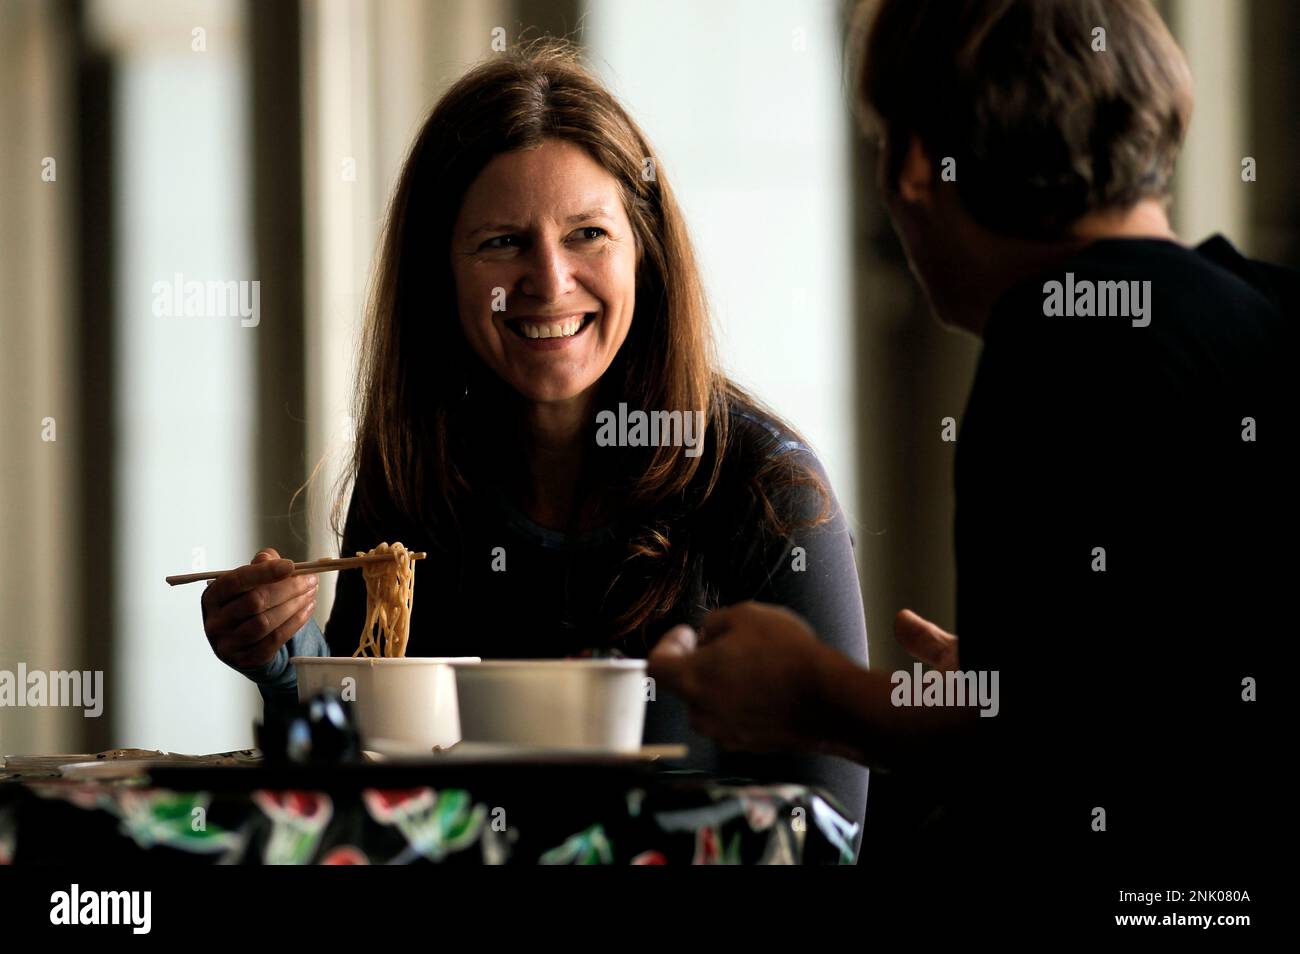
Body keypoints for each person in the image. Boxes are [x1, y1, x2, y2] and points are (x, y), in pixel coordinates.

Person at [650, 0, 1294, 870]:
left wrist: (822, 699)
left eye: (883, 142)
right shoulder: (1259, 305)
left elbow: (1058, 776)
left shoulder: (1056, 345)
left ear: (915, 164)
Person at [198, 42, 870, 842]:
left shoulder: (769, 490)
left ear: (644, 254)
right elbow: (362, 796)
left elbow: (828, 835)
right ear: (439, 272)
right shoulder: (419, 483)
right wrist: (285, 657)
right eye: (502, 243)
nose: (549, 282)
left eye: (587, 233)